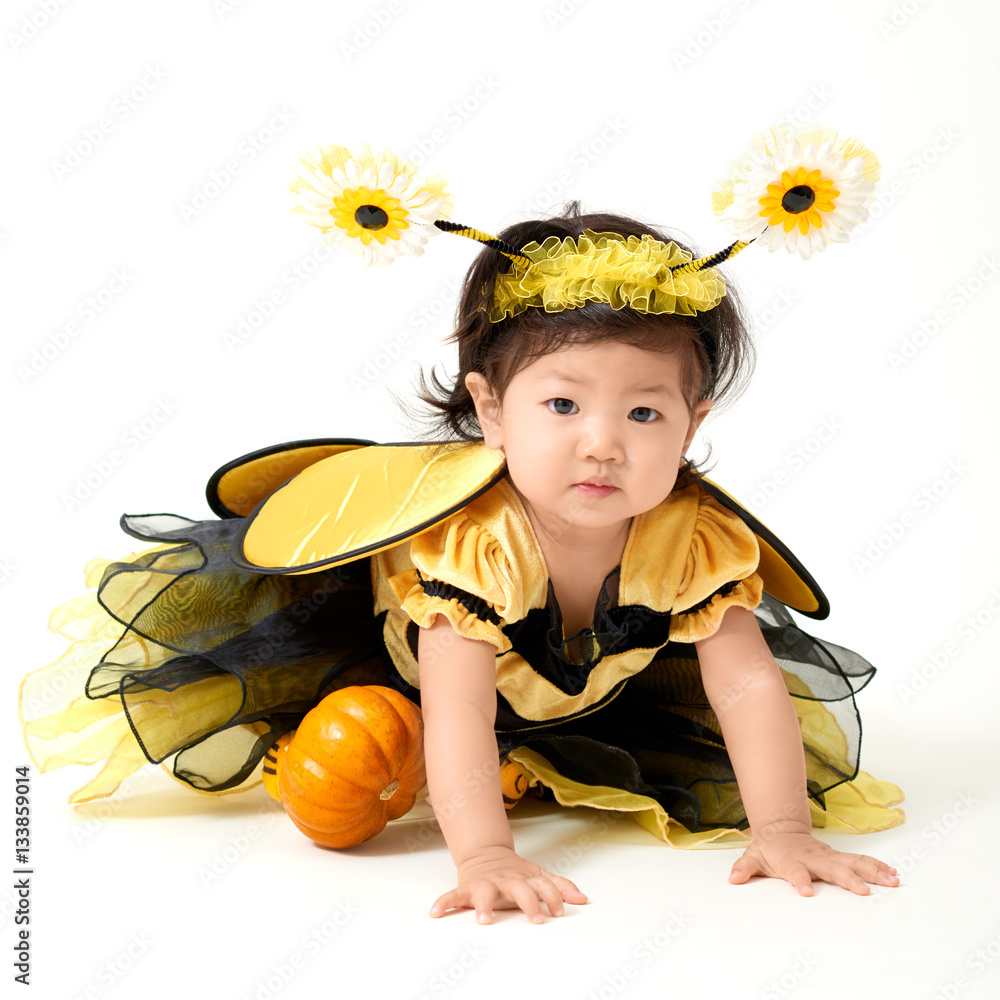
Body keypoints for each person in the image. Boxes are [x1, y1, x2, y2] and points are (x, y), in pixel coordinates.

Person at [20, 128, 904, 925]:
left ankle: (550, 762)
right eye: (562, 404)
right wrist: (484, 855)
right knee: (375, 742)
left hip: (581, 688)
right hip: (425, 690)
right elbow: (457, 710)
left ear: (693, 425)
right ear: (490, 410)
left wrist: (783, 828)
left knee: (640, 735)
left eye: (644, 414)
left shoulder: (694, 543)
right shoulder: (476, 547)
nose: (602, 445)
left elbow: (749, 690)